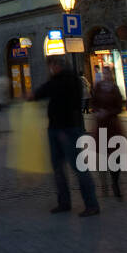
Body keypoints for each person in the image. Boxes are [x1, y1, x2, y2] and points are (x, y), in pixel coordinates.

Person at [35, 58, 99, 217]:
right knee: (58, 168)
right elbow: (44, 91)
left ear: (57, 66)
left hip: (67, 129)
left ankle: (91, 204)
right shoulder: (62, 80)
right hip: (57, 128)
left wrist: (33, 95)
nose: (51, 69)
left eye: (51, 66)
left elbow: (46, 92)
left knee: (78, 167)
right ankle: (64, 202)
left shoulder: (68, 80)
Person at [90, 66, 126, 199]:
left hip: (113, 126)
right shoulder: (98, 87)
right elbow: (93, 103)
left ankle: (115, 183)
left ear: (111, 74)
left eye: (107, 73)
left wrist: (109, 112)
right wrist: (97, 111)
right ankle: (104, 184)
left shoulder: (115, 88)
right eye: (104, 73)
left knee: (115, 157)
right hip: (101, 126)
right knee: (102, 157)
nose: (105, 75)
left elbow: (119, 107)